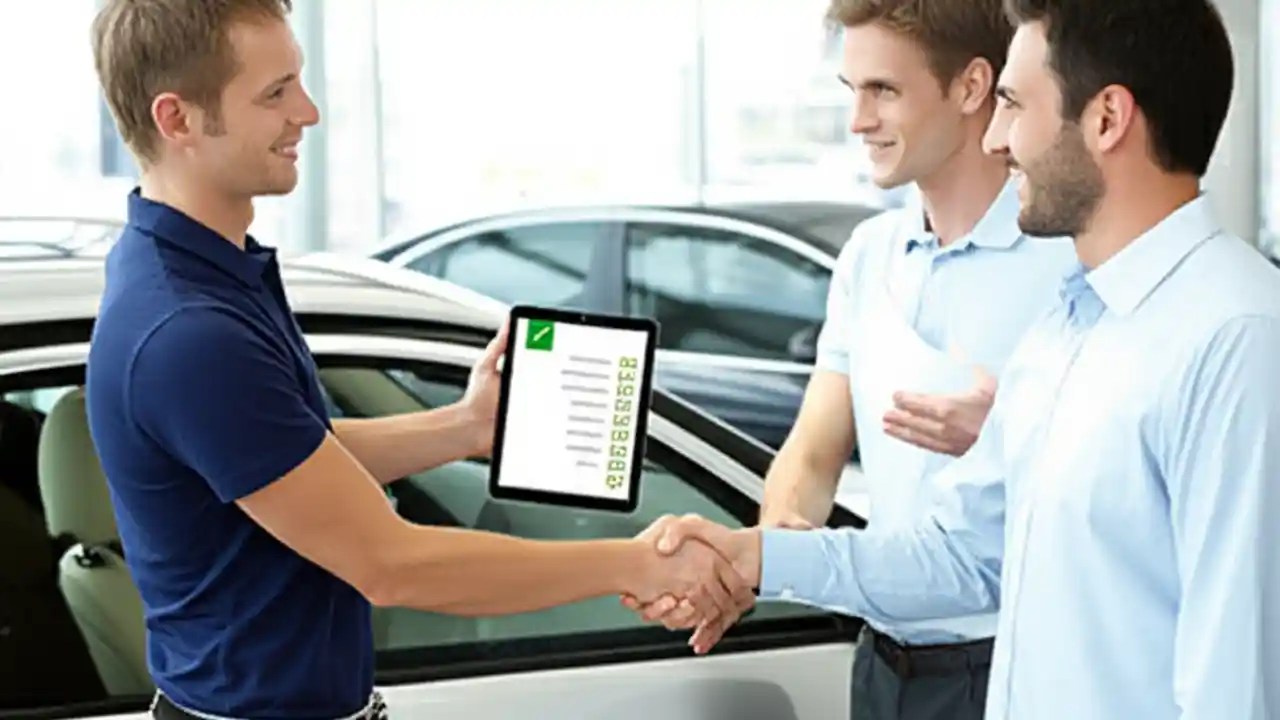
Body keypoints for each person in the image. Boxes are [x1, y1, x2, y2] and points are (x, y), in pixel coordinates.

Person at [84, 2, 751, 719]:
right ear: (177, 119)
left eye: (299, 82)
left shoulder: (205, 277)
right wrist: (637, 562)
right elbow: (390, 564)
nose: (306, 113)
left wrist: (463, 428)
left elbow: (288, 459)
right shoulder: (190, 333)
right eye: (274, 93)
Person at [632, 1, 1280, 718]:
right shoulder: (1069, 328)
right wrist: (757, 556)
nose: (999, 139)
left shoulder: (1238, 335)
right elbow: (965, 559)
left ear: (1106, 119)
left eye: (1015, 104)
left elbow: (1237, 682)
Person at [646, 1, 1075, 718]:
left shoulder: (1063, 268)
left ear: (972, 88)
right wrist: (753, 564)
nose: (857, 122)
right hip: (878, 667)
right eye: (852, 93)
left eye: (883, 91)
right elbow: (813, 457)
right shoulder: (867, 260)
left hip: (1010, 667)